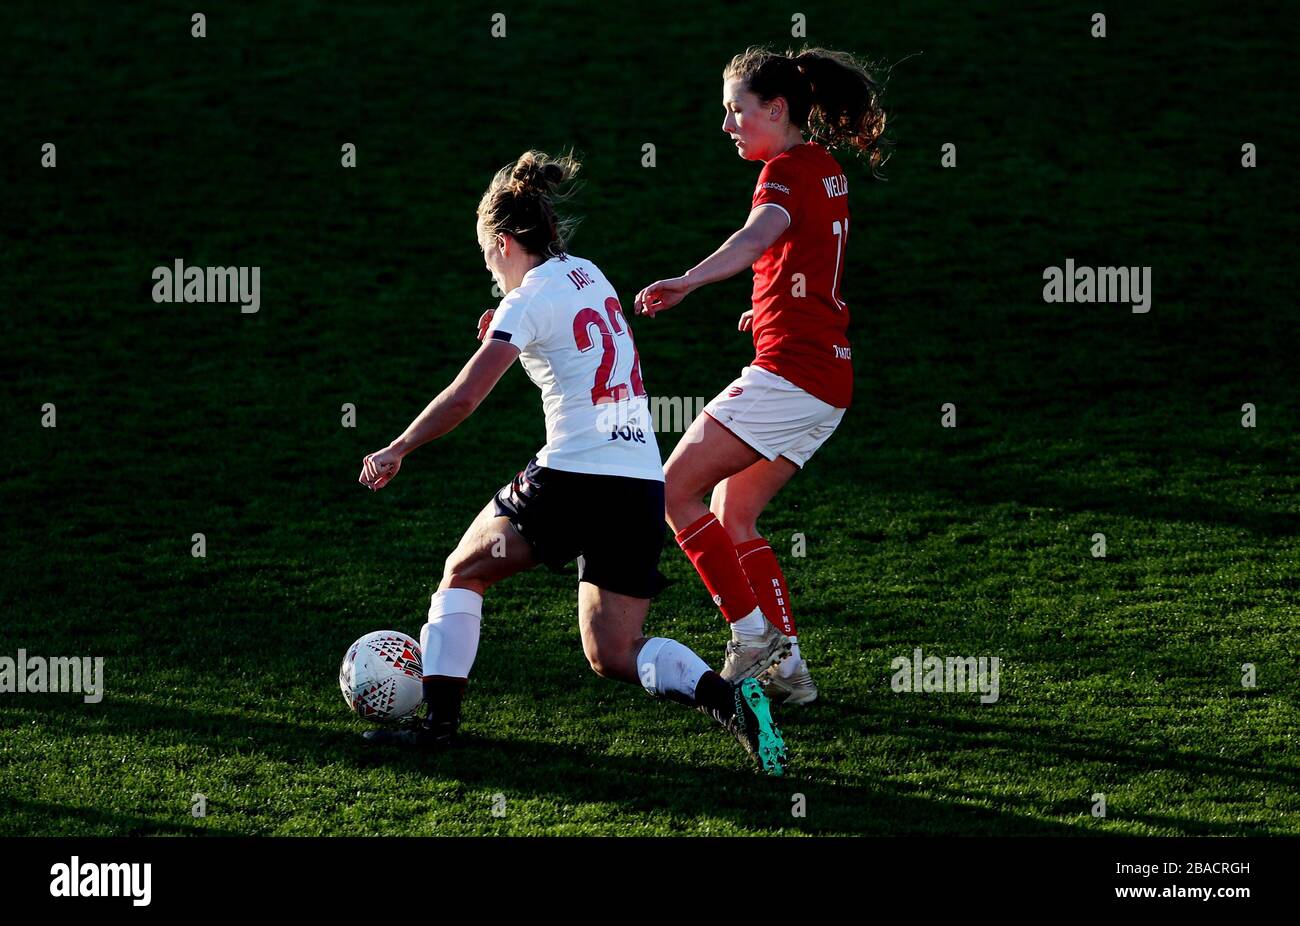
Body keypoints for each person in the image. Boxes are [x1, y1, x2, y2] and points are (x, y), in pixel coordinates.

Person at [357, 150, 788, 775]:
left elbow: (467, 395)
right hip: (639, 483)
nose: (492, 274)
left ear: (504, 243)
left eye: (488, 260)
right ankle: (728, 701)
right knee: (613, 652)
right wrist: (512, 328)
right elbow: (575, 347)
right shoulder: (589, 273)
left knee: (462, 573)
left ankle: (437, 727)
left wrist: (399, 446)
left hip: (573, 476)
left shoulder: (526, 299)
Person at [633, 47, 889, 705]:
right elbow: (803, 254)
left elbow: (758, 236)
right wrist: (771, 307)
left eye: (736, 111)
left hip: (791, 378)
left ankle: (753, 636)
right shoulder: (824, 167)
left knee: (672, 492)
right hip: (826, 378)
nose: (728, 126)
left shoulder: (782, 171)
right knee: (734, 513)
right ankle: (789, 673)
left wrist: (689, 281)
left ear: (776, 110)